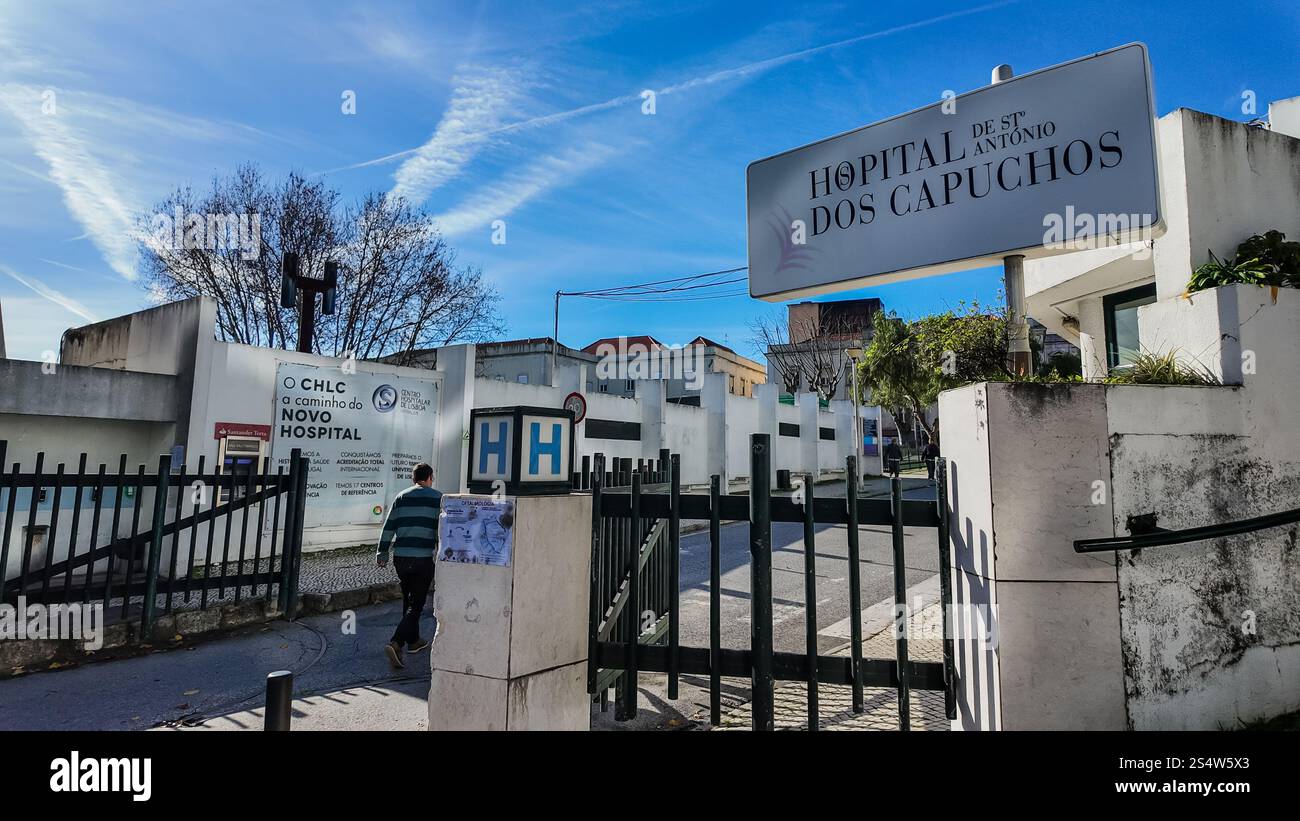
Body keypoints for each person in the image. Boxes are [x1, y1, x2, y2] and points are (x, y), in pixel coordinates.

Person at [376, 463, 442, 670]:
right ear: (430, 477)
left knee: (409, 599)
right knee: (417, 604)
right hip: (422, 558)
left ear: (413, 479)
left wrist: (382, 552)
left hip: (401, 558)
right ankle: (396, 642)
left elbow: (389, 526)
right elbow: (443, 529)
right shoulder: (438, 498)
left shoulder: (401, 497)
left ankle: (414, 641)